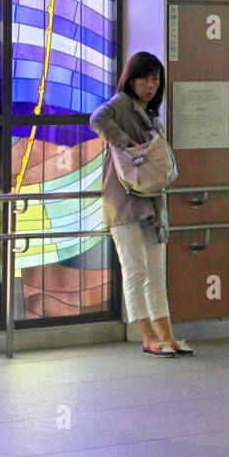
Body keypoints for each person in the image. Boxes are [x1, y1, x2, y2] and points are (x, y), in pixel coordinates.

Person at [89, 51, 193, 357]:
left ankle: (167, 336)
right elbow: (96, 119)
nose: (150, 85)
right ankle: (148, 337)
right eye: (143, 78)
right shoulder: (121, 104)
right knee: (135, 270)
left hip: (151, 202)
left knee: (156, 274)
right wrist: (128, 143)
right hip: (124, 202)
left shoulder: (150, 113)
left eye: (155, 79)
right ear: (130, 80)